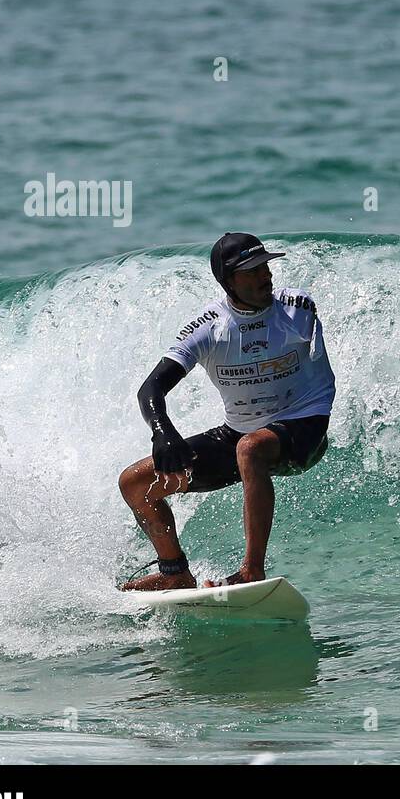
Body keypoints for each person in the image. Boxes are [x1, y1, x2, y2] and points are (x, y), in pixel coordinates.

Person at [118, 232, 335, 591]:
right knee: (136, 483)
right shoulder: (208, 329)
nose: (264, 275)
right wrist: (162, 431)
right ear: (227, 280)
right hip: (239, 434)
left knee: (250, 448)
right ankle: (174, 572)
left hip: (305, 424)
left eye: (264, 266)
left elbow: (315, 370)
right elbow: (151, 389)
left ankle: (252, 570)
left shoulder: (298, 309)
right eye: (250, 270)